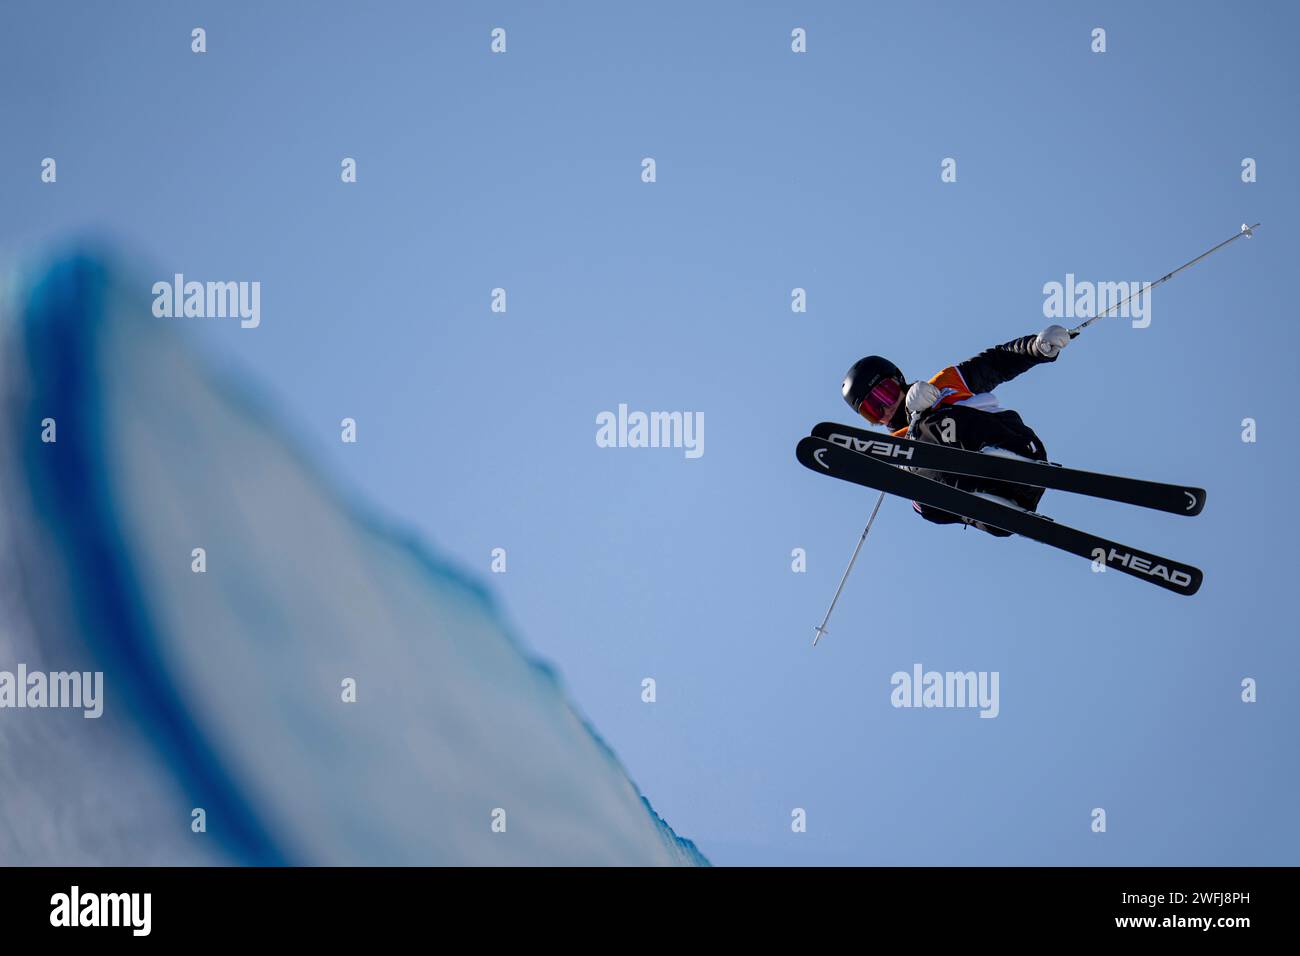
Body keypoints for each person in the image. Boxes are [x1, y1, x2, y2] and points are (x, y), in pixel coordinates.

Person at [840, 326, 1071, 536]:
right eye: (872, 410)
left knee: (931, 426)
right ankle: (991, 506)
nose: (885, 409)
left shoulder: (946, 383)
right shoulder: (896, 450)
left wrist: (1035, 347)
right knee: (919, 497)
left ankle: (1002, 457)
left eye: (885, 394)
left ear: (898, 380)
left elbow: (997, 363)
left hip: (1016, 446)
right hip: (1003, 496)